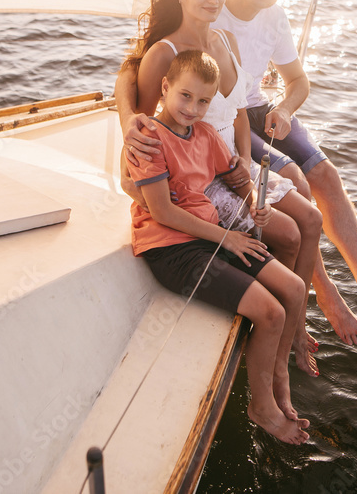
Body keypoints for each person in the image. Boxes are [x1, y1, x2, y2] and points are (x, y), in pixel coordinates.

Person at [131, 0, 357, 345]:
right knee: (296, 191)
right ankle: (318, 298)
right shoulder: (196, 28)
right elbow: (139, 79)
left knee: (325, 176)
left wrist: (276, 122)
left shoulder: (246, 29)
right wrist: (130, 120)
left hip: (250, 122)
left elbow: (282, 88)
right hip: (218, 141)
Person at [115, 0, 324, 376]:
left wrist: (246, 164)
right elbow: (140, 106)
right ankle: (274, 328)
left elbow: (240, 109)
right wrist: (127, 127)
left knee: (308, 219)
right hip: (200, 173)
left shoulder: (224, 40)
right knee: (287, 231)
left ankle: (290, 329)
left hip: (232, 160)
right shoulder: (165, 53)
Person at [128, 49, 309, 445]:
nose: (193, 108)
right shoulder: (150, 140)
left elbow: (238, 180)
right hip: (174, 248)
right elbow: (162, 212)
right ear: (165, 88)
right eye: (185, 96)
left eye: (204, 101)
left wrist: (255, 210)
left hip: (211, 234)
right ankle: (260, 406)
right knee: (269, 311)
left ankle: (279, 373)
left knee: (294, 289)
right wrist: (229, 237)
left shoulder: (206, 135)